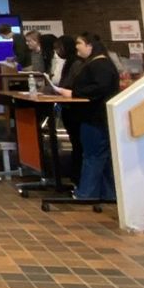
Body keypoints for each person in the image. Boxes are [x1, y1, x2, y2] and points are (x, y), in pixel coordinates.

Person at [54, 34, 118, 202]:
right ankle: (108, 193)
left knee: (93, 156)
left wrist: (74, 93)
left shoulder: (100, 65)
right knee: (101, 157)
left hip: (95, 117)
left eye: (80, 44)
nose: (77, 48)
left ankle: (86, 194)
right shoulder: (97, 64)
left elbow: (99, 88)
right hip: (93, 117)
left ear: (90, 46)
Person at [53, 35, 84, 183]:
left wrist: (60, 89)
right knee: (75, 142)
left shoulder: (76, 63)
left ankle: (78, 176)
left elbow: (70, 83)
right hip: (68, 107)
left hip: (75, 108)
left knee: (78, 144)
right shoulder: (68, 63)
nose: (57, 51)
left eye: (59, 48)